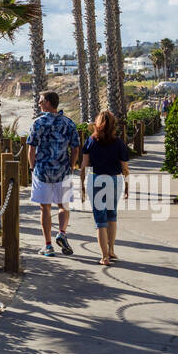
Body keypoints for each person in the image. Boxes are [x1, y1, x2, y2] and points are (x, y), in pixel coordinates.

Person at [27, 90, 80, 256]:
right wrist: (71, 166)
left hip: (42, 171)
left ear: (49, 102)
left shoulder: (37, 123)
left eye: (41, 100)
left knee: (45, 209)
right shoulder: (68, 123)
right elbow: (75, 148)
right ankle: (62, 234)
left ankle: (48, 246)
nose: (39, 103)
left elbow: (31, 149)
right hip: (63, 170)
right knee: (63, 205)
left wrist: (32, 167)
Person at [79, 110, 130, 265]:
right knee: (112, 216)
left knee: (100, 220)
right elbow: (125, 168)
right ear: (113, 126)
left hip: (96, 180)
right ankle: (112, 250)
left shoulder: (91, 141)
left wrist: (81, 184)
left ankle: (104, 256)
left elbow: (84, 166)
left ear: (97, 124)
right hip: (114, 180)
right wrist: (127, 185)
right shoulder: (119, 143)